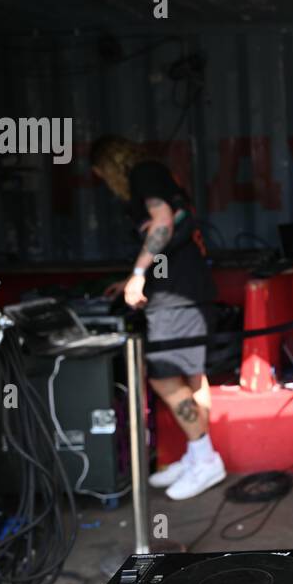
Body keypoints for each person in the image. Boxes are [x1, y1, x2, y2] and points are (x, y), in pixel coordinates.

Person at [91, 136, 226, 500]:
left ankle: (206, 458)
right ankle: (199, 454)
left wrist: (138, 274)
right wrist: (132, 279)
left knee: (165, 376)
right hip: (190, 289)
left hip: (177, 297)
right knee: (192, 376)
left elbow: (162, 223)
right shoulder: (157, 174)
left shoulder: (144, 174)